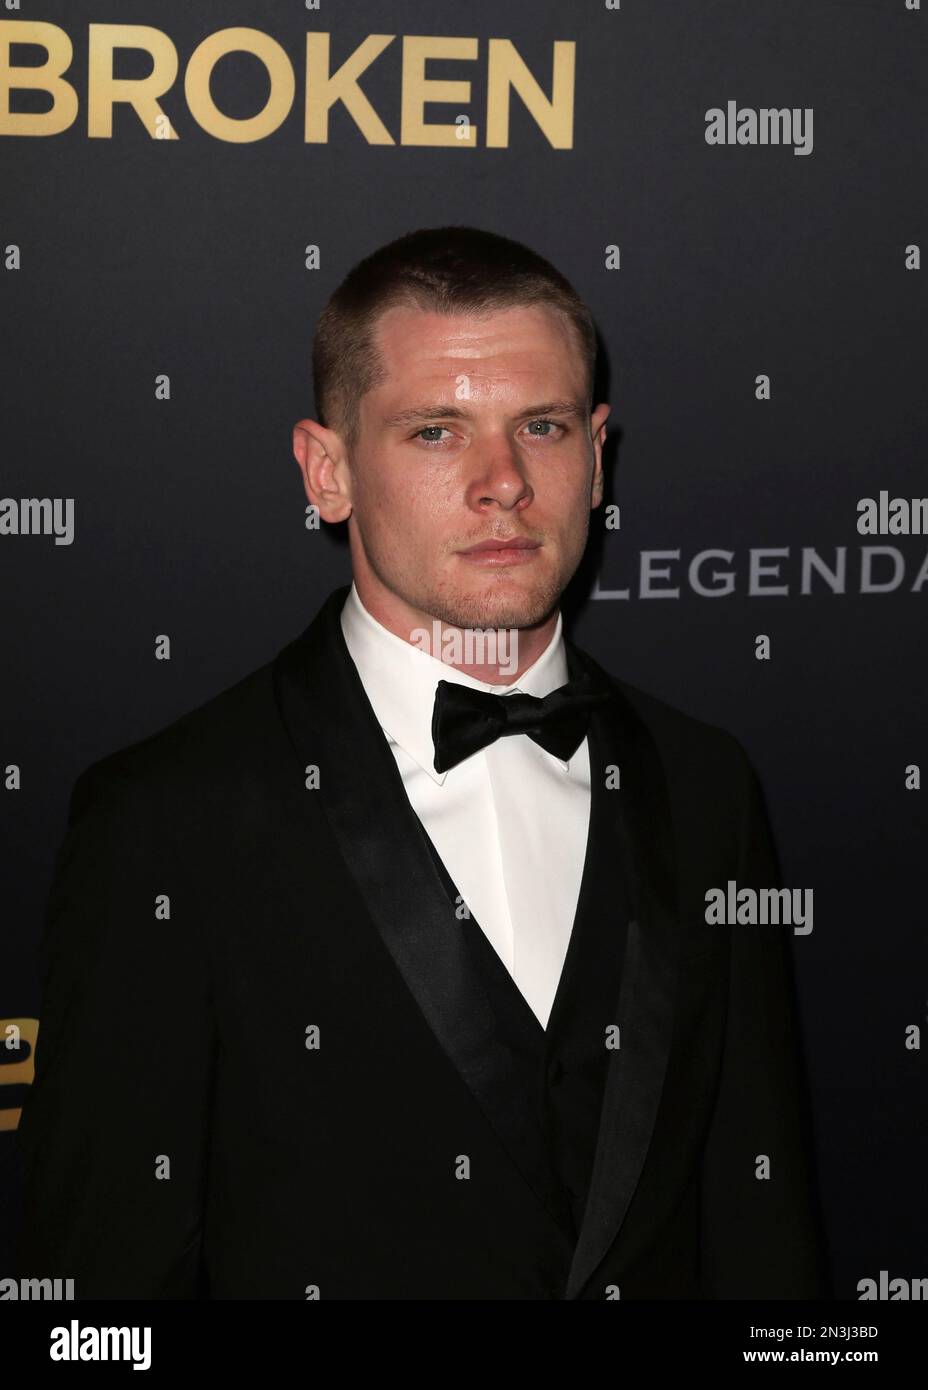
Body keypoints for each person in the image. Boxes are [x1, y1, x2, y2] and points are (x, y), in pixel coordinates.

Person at [14, 225, 829, 1299]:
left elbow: (761, 1236)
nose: (503, 482)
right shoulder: (165, 818)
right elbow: (104, 1301)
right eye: (438, 432)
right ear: (329, 470)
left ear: (595, 455)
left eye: (540, 426)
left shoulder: (705, 783)